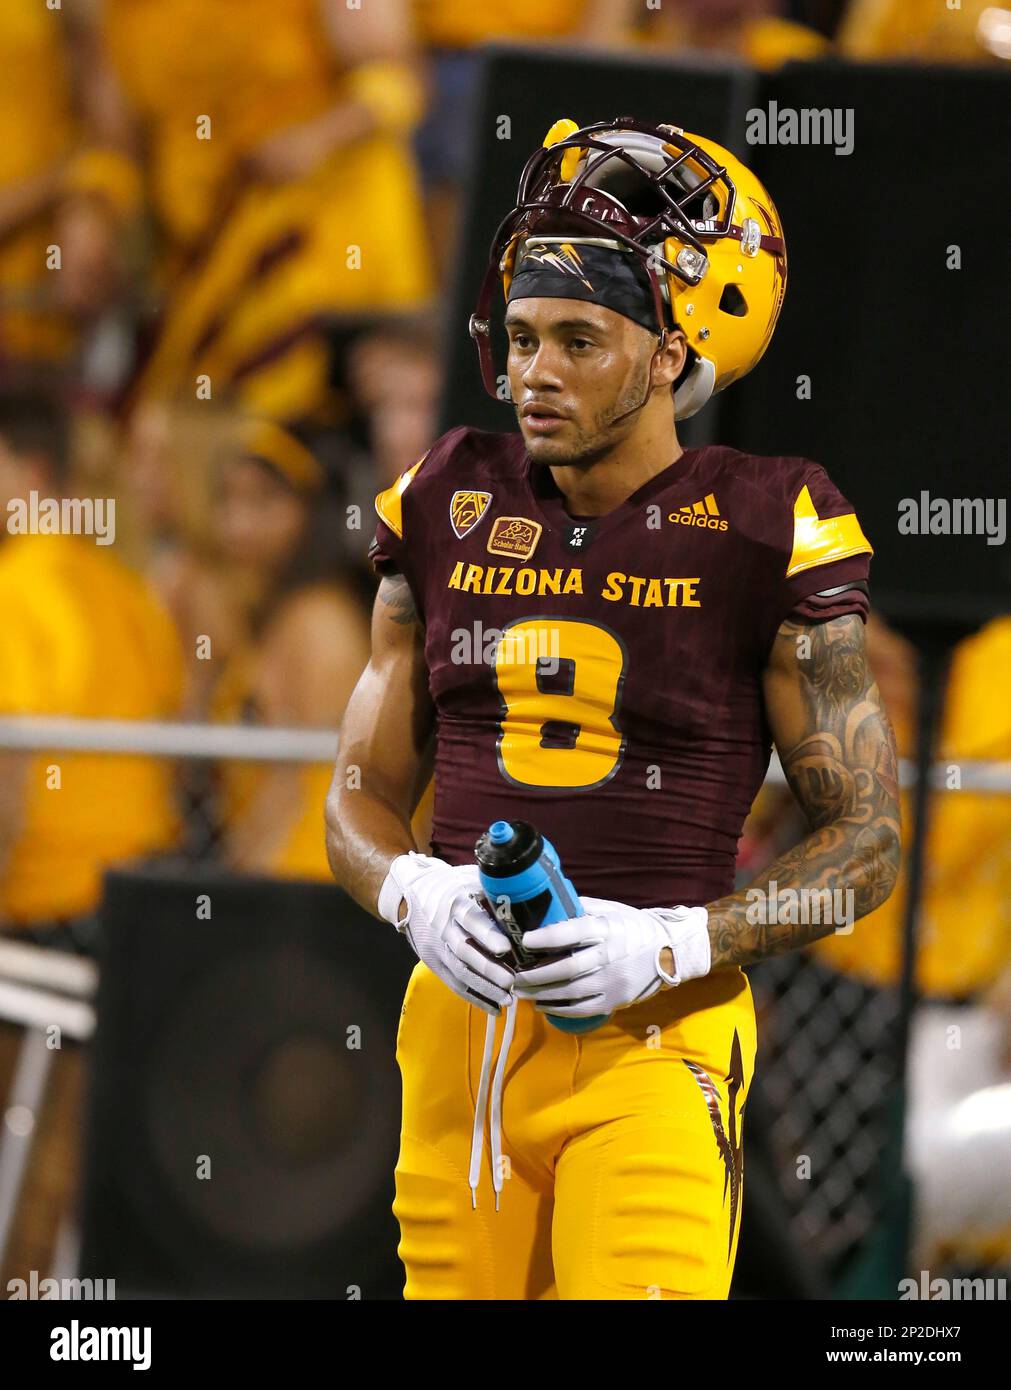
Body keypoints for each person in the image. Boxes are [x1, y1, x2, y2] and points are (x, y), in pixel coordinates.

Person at [325, 117, 901, 1300]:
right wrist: (411, 890)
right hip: (459, 1035)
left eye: (579, 339)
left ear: (668, 356)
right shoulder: (442, 497)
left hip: (658, 1033)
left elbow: (870, 838)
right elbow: (357, 796)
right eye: (523, 337)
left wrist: (681, 940)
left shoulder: (767, 522)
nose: (535, 371)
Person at [211, 419, 370, 879]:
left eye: (263, 500)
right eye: (228, 499)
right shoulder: (275, 614)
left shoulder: (320, 620)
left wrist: (243, 880)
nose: (238, 524)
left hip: (305, 874)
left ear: (312, 511)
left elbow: (297, 780)